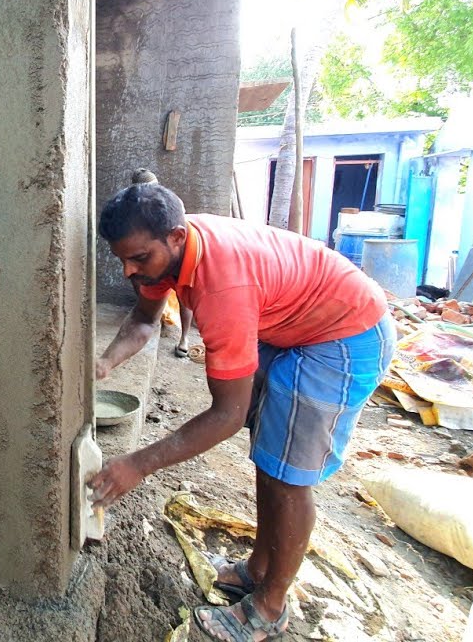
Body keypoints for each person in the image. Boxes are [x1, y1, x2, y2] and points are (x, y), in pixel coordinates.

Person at [88, 184, 394, 642]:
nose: (130, 271)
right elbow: (145, 320)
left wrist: (138, 464)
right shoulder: (167, 251)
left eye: (139, 259)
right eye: (123, 260)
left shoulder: (222, 284)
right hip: (295, 329)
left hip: (343, 335)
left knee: (288, 476)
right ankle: (257, 570)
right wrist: (104, 363)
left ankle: (269, 607)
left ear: (175, 236)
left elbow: (228, 414)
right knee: (271, 457)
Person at [129, 168, 194, 358]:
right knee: (139, 281)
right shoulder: (134, 207)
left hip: (175, 256)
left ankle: (184, 338)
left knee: (185, 296)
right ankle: (152, 316)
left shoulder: (171, 202)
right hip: (154, 259)